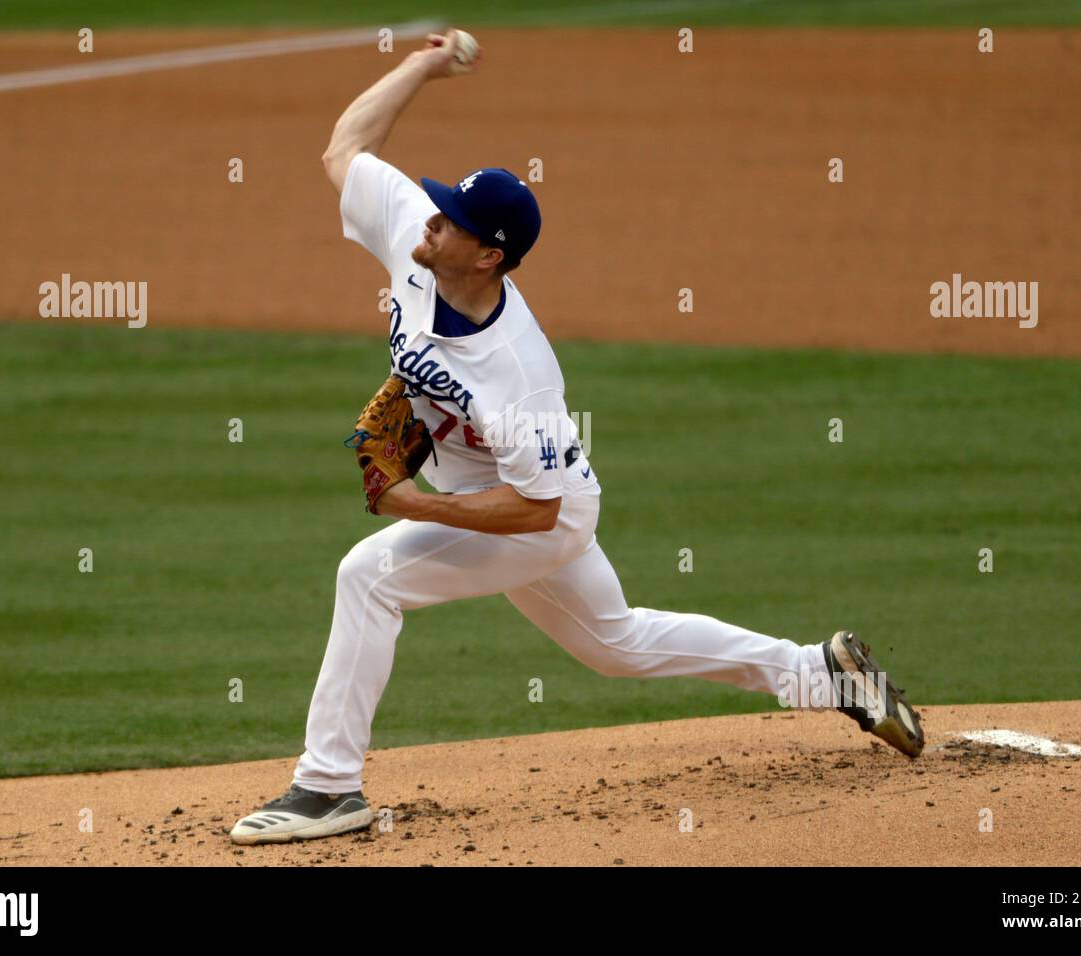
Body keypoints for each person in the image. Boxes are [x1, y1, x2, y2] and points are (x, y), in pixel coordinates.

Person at [229, 30, 923, 846]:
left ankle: (328, 787)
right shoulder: (419, 245)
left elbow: (535, 509)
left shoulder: (518, 374)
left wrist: (417, 502)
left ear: (489, 256)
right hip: (516, 500)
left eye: (451, 220)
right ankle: (820, 675)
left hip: (540, 514)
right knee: (615, 644)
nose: (432, 219)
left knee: (367, 577)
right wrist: (421, 65)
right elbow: (344, 149)